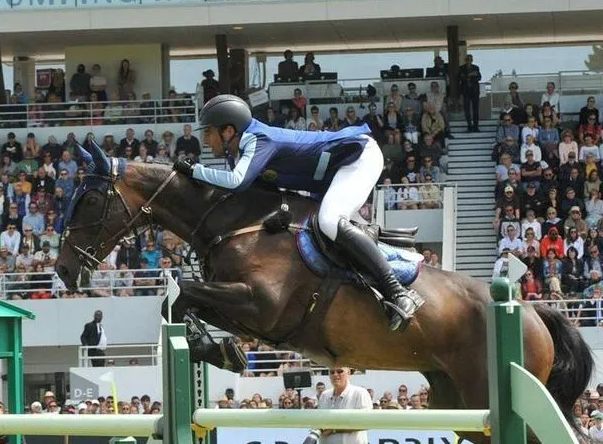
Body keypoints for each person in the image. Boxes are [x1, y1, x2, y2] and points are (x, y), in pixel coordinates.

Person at [175, 94, 422, 330]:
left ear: (228, 130)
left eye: (208, 132)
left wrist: (193, 169)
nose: (206, 140)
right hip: (329, 178)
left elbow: (236, 182)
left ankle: (398, 293)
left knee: (329, 221)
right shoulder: (240, 153)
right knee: (322, 226)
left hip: (356, 157)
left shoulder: (258, 141)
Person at [303, 366, 372, 444]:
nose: (335, 375)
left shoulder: (359, 393)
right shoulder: (324, 395)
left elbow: (366, 423)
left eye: (340, 371)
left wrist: (334, 429)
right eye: (332, 372)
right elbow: (320, 422)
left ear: (348, 373)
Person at [458, 53, 482, 132]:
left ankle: (476, 126)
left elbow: (479, 78)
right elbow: (461, 77)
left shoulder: (476, 67)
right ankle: (469, 126)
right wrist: (470, 74)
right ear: (465, 60)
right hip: (466, 91)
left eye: (470, 59)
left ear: (472, 60)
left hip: (474, 91)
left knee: (476, 110)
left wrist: (470, 76)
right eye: (467, 59)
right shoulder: (461, 68)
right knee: (467, 110)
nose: (469, 61)